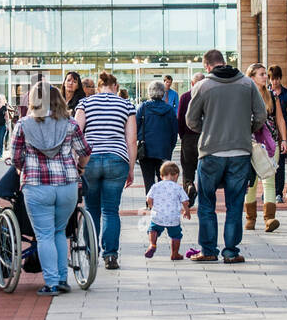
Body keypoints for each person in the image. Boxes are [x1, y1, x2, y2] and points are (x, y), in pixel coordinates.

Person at [186, 49, 265, 262]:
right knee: (235, 203)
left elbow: (191, 121)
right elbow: (261, 115)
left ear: (207, 66)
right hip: (240, 152)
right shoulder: (247, 84)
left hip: (211, 151)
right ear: (225, 62)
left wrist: (209, 127)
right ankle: (231, 252)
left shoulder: (203, 86)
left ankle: (209, 250)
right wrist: (245, 129)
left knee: (206, 203)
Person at [11, 81, 90, 295]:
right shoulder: (70, 124)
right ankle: (63, 279)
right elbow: (84, 151)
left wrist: (22, 169)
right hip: (67, 185)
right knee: (59, 232)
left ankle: (52, 282)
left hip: (37, 185)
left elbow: (16, 157)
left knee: (44, 234)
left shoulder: (23, 125)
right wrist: (80, 169)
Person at [75, 71, 136, 270]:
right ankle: (111, 255)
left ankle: (91, 252)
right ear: (115, 87)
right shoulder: (126, 105)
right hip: (117, 159)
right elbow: (131, 140)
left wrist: (76, 162)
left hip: (90, 159)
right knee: (111, 210)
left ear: (99, 86)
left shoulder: (85, 103)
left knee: (91, 210)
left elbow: (76, 131)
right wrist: (131, 168)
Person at [245, 63, 287, 233]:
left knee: (269, 179)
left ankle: (269, 219)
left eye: (265, 74)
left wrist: (284, 139)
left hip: (271, 143)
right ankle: (250, 219)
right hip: (250, 144)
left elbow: (280, 119)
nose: (265, 77)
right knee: (251, 182)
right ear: (252, 76)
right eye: (261, 74)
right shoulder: (244, 96)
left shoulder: (272, 95)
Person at [136, 79, 178, 192]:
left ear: (149, 92)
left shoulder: (143, 107)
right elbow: (174, 132)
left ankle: (150, 203)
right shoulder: (169, 110)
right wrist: (170, 148)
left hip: (146, 150)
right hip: (164, 149)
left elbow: (135, 127)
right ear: (163, 93)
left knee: (148, 179)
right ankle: (162, 203)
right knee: (163, 179)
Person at [145, 161, 191, 260]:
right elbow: (185, 201)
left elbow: (148, 198)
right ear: (176, 175)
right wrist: (186, 211)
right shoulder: (178, 188)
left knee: (153, 229)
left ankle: (152, 244)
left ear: (161, 176)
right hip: (173, 217)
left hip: (158, 216)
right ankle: (175, 254)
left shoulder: (156, 186)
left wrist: (151, 206)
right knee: (176, 235)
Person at [176, 73, 205, 201]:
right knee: (204, 167)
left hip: (189, 137)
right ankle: (204, 194)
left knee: (187, 167)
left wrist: (183, 135)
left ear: (192, 83)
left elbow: (181, 117)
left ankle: (189, 188)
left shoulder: (185, 96)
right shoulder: (209, 96)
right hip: (205, 137)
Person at [270, 66, 287, 203]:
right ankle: (270, 190)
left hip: (282, 130)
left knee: (279, 163)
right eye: (272, 79)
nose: (274, 82)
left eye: (277, 79)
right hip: (268, 130)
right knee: (268, 163)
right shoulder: (266, 92)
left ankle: (278, 192)